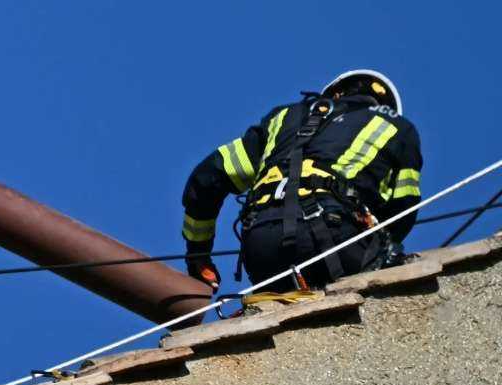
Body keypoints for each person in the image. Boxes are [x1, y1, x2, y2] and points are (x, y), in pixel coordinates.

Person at [181, 69, 423, 292]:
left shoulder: (283, 118)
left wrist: (197, 254)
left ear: (334, 93)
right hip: (335, 239)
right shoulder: (398, 127)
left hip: (261, 245)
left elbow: (206, 179)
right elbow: (404, 208)